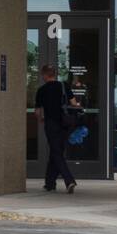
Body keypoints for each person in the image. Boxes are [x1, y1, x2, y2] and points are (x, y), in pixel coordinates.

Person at [33, 65, 77, 193]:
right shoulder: (64, 86)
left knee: (56, 153)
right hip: (65, 124)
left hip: (51, 124)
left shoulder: (41, 90)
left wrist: (41, 119)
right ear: (54, 74)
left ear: (45, 75)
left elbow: (37, 112)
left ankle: (69, 181)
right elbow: (74, 104)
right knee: (55, 151)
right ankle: (50, 183)